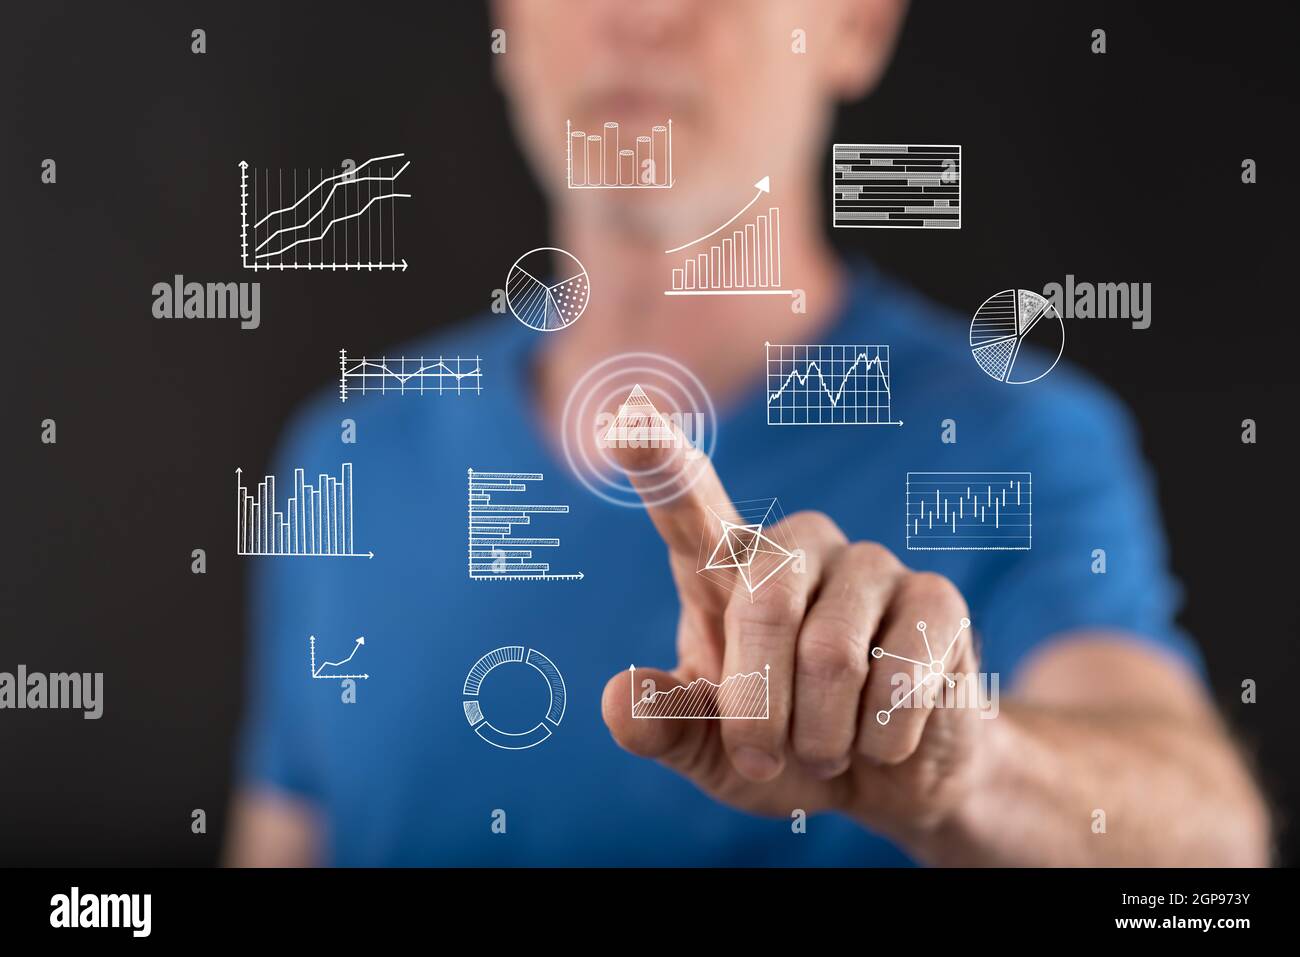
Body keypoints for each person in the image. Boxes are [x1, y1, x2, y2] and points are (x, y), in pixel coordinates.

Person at [226, 0, 1269, 866]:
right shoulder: (348, 456)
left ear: (856, 28)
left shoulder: (1018, 441)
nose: (639, 18)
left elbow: (1211, 848)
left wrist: (968, 771)